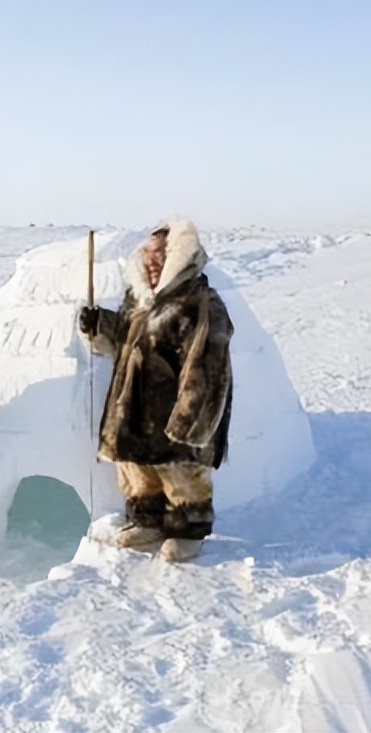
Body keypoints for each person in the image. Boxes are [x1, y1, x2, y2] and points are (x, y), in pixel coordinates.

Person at [79, 219, 234, 562]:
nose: (152, 261)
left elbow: (207, 363)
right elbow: (125, 339)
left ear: (179, 256)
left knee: (180, 471)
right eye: (148, 254)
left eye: (161, 255)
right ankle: (146, 520)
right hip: (134, 405)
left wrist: (190, 419)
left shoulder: (199, 302)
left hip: (173, 408)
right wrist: (100, 324)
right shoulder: (138, 299)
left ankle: (187, 529)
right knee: (137, 467)